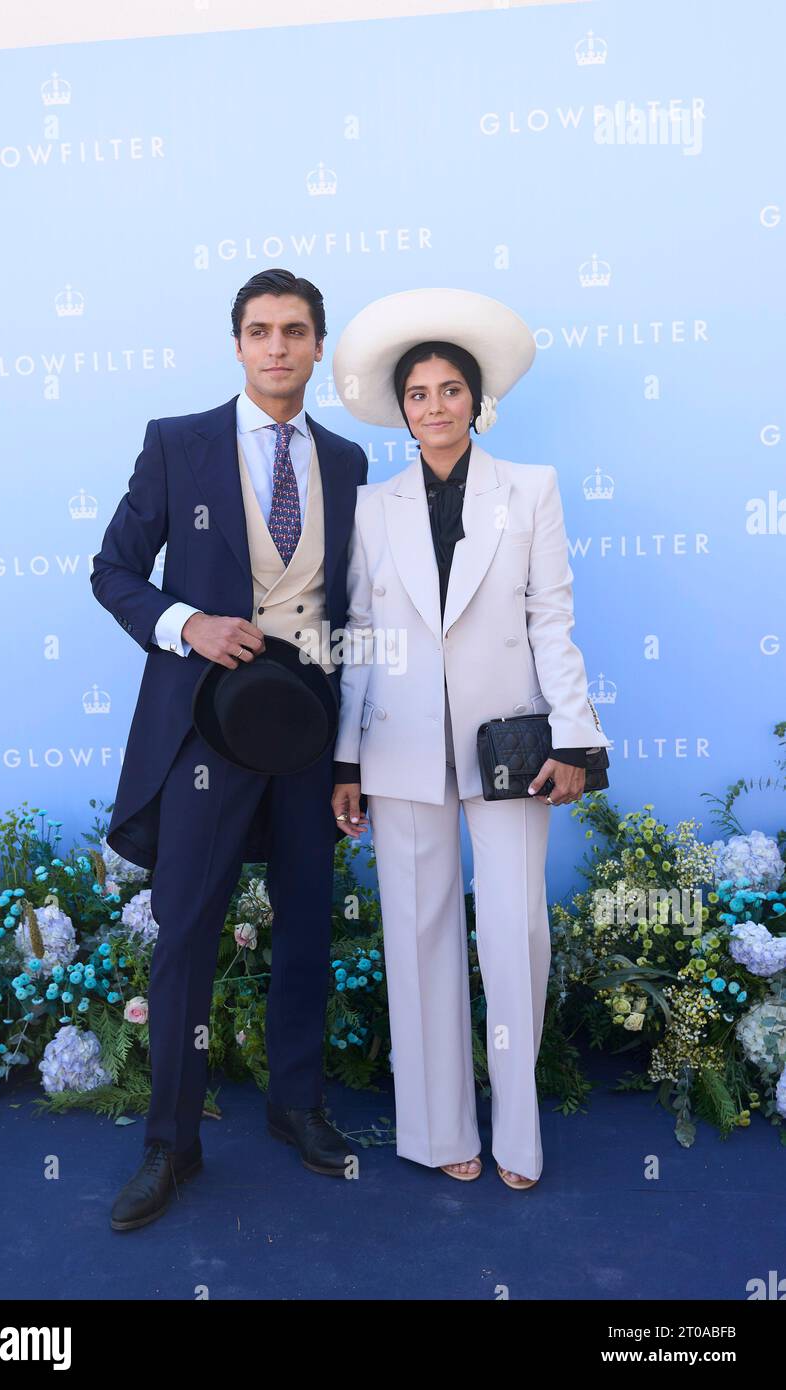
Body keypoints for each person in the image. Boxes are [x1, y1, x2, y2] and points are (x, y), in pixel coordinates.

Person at [90, 269, 368, 1231]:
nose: (277, 346)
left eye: (295, 330)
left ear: (319, 346)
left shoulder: (348, 463)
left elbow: (355, 615)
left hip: (308, 732)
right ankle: (171, 1143)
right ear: (238, 344)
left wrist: (352, 755)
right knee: (187, 931)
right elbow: (113, 571)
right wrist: (188, 624)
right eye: (260, 330)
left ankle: (297, 1106)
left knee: (306, 923)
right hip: (206, 731)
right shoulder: (179, 444)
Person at [330, 288, 609, 1189]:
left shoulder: (531, 490)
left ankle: (519, 1138)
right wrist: (346, 756)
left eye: (451, 389)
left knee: (514, 929)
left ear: (476, 399)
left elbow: (551, 621)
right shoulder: (371, 507)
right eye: (419, 393)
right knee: (418, 932)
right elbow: (359, 636)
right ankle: (436, 1128)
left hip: (514, 749)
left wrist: (576, 738)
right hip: (399, 746)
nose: (435, 406)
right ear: (401, 408)